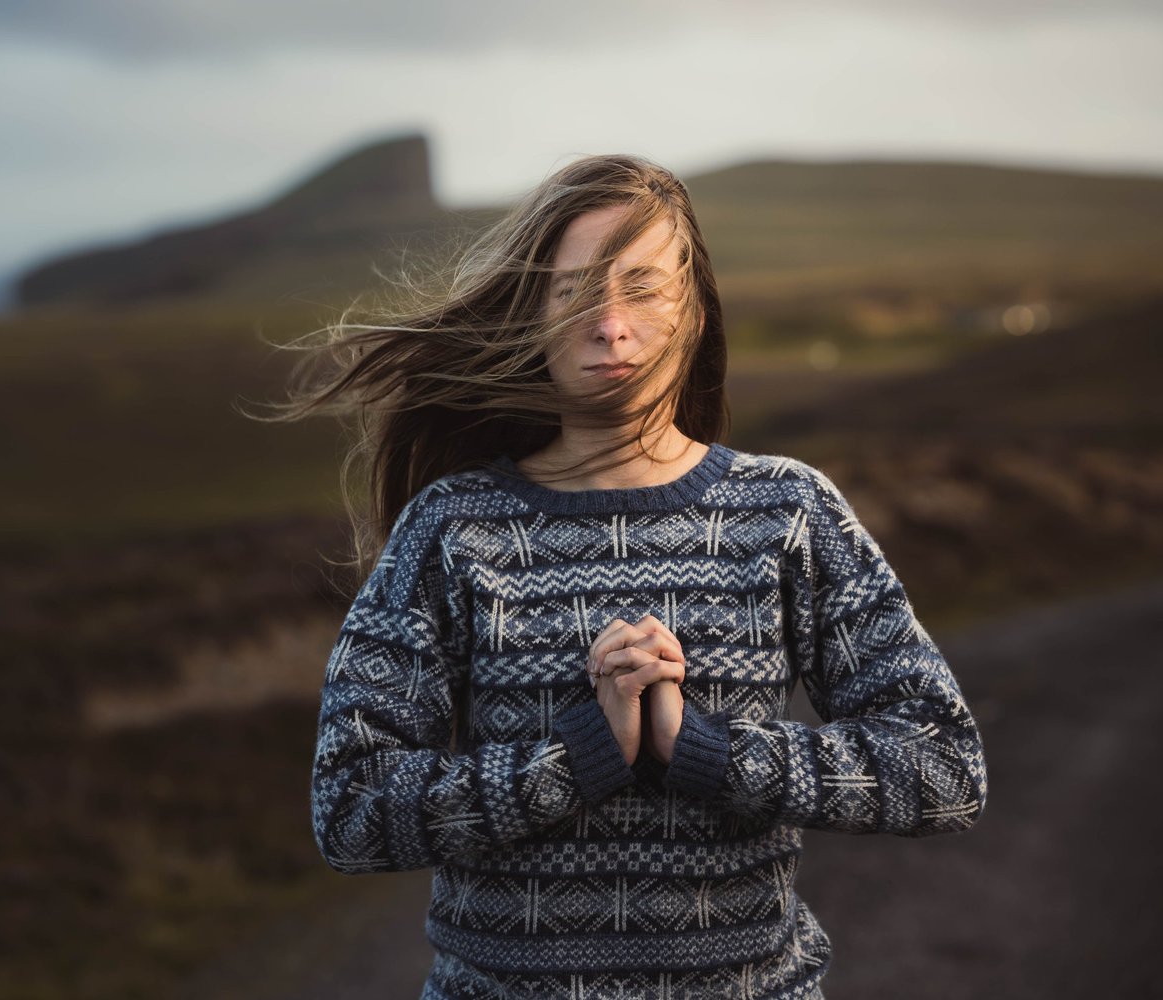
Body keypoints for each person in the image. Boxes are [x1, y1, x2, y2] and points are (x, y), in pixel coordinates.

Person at [263, 153, 988, 999]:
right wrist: (579, 757)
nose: (610, 324)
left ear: (693, 311)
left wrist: (703, 751)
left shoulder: (787, 512)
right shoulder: (452, 529)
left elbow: (944, 767)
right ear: (532, 317)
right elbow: (351, 810)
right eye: (572, 291)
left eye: (642, 285)